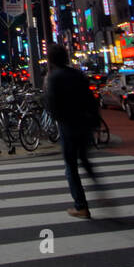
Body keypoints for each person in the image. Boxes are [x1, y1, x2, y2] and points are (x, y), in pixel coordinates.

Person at [44, 45, 102, 219]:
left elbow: (51, 105)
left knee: (71, 166)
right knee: (84, 159)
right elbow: (91, 99)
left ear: (51, 60)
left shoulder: (54, 77)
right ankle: (100, 188)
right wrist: (94, 121)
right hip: (84, 124)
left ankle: (81, 206)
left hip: (68, 126)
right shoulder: (77, 74)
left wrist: (55, 117)